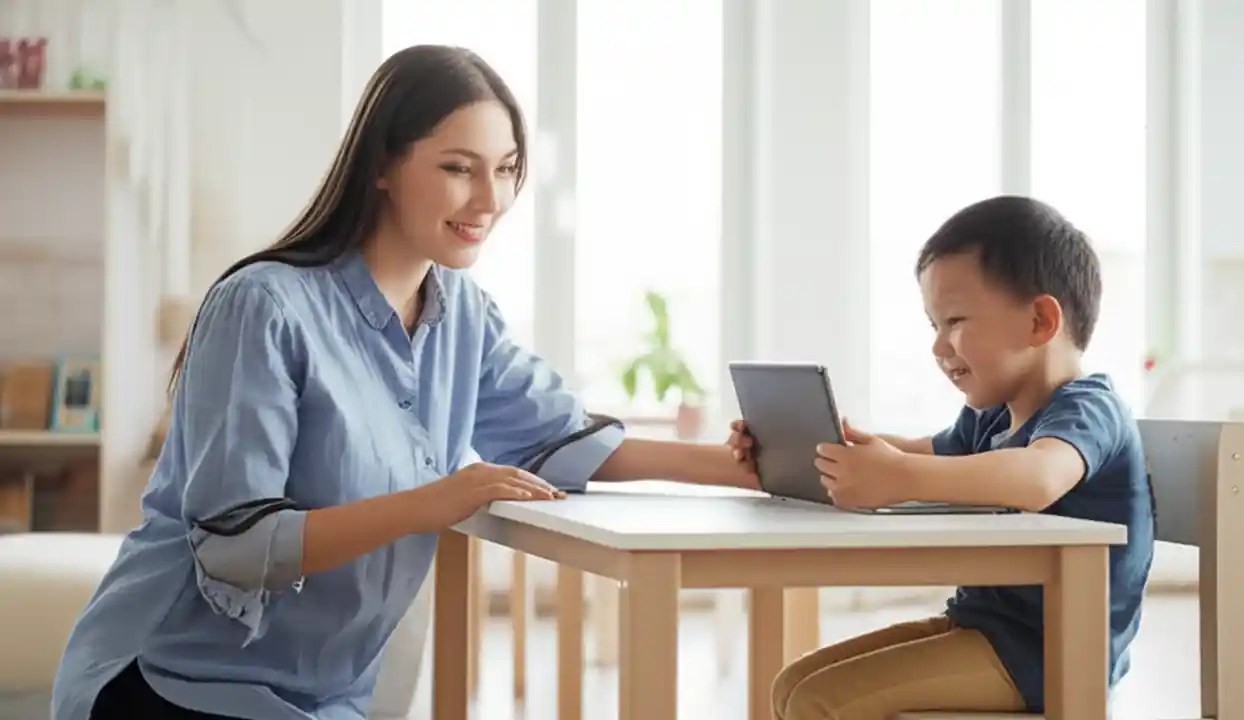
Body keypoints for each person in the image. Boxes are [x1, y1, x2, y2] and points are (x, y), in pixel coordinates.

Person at [53, 45, 756, 720]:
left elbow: (561, 439)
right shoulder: (264, 307)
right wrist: (435, 501)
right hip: (174, 684)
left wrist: (744, 468)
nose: (490, 199)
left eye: (507, 169)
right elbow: (234, 546)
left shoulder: (463, 315)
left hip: (324, 700)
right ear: (383, 164)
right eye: (459, 168)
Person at [728, 196, 1155, 719]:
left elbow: (1039, 476)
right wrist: (800, 439)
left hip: (1048, 656)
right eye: (934, 325)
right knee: (790, 686)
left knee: (818, 702)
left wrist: (902, 476)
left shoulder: (1089, 409)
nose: (938, 347)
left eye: (953, 321)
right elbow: (911, 451)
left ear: (1040, 321)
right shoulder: (991, 419)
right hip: (986, 630)